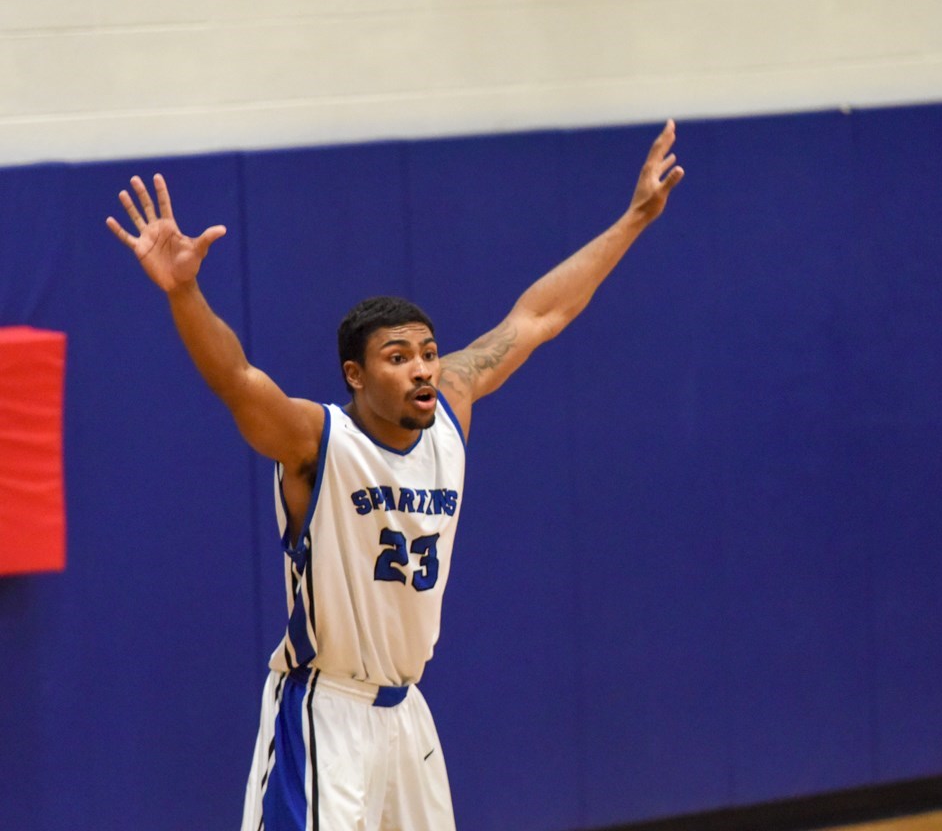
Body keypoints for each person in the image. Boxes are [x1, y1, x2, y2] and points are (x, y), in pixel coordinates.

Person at [106, 121, 684, 831]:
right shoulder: (316, 441)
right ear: (356, 374)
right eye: (399, 356)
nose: (423, 367)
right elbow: (235, 378)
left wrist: (631, 221)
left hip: (406, 714)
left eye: (429, 352)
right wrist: (184, 293)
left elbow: (539, 315)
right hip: (326, 711)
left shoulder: (450, 411)